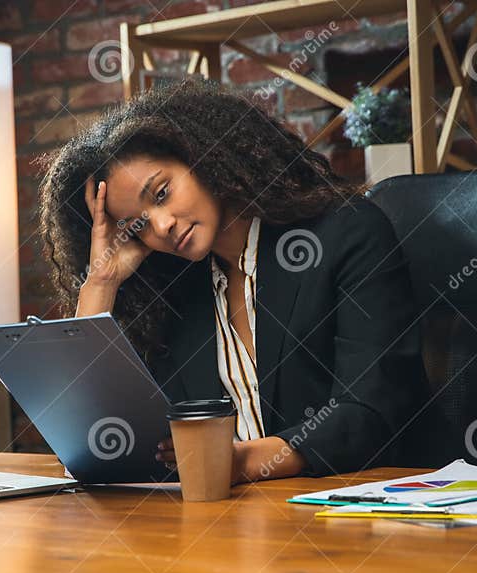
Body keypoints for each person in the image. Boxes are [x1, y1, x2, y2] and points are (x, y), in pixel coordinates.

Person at [37, 77, 434, 484]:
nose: (162, 224)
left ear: (202, 157)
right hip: (231, 525)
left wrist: (240, 461)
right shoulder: (177, 294)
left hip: (364, 516)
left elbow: (367, 414)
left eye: (161, 193)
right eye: (138, 225)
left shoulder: (345, 234)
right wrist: (100, 284)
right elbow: (96, 444)